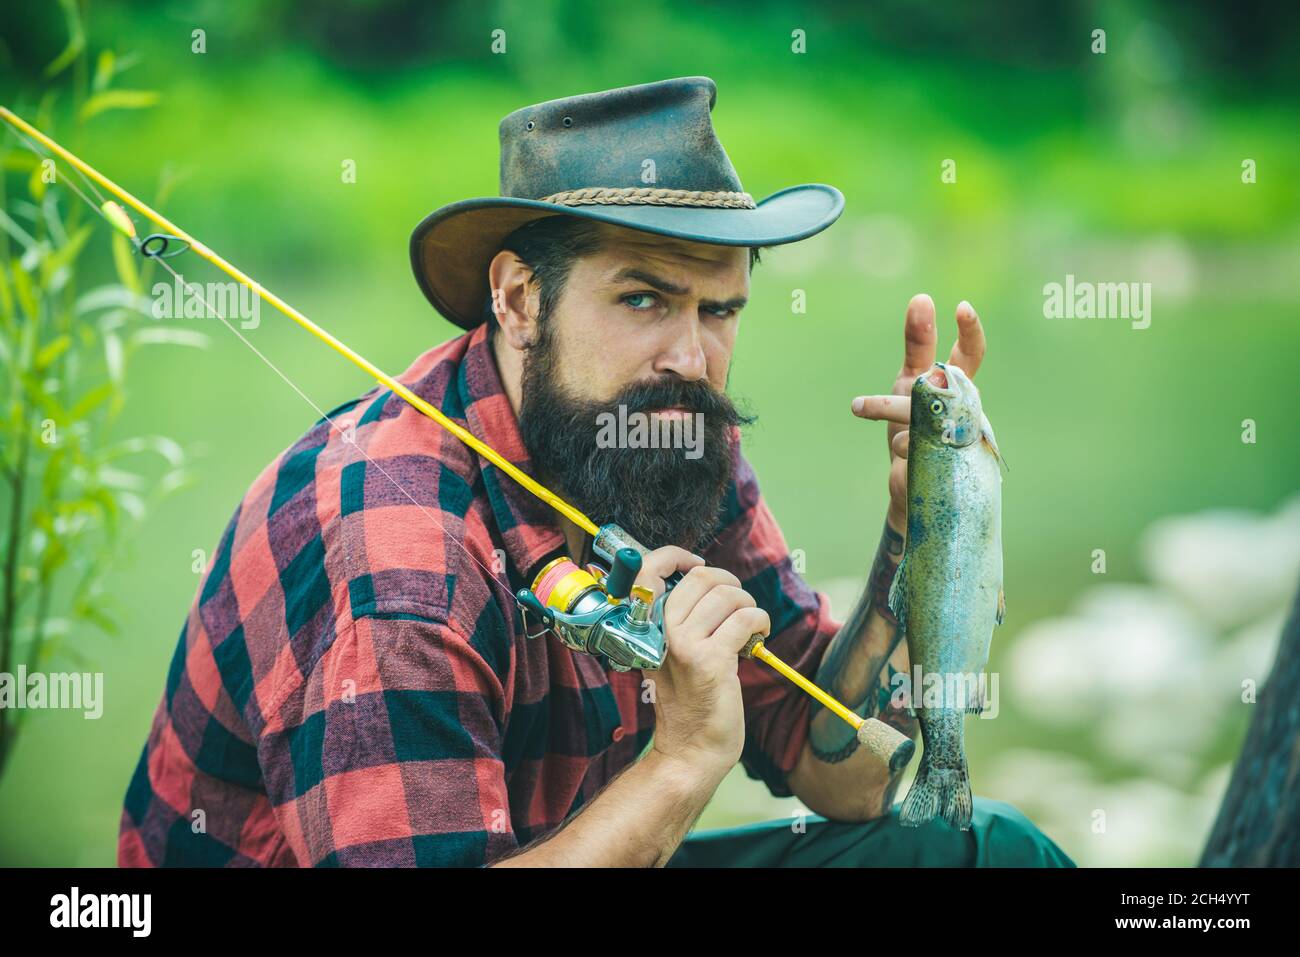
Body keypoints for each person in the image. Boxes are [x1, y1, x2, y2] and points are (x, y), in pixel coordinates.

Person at [118, 76, 1073, 868]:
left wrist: (922, 531)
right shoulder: (398, 554)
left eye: (719, 310)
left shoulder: (670, 441)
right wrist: (686, 757)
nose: (691, 357)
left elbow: (845, 770)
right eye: (646, 298)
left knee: (985, 852)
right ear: (519, 297)